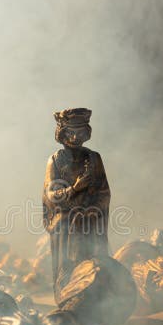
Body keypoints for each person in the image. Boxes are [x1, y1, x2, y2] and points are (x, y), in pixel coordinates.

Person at [42, 108, 110, 295]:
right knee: (67, 257)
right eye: (71, 132)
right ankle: (66, 290)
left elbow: (104, 191)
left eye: (80, 132)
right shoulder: (55, 160)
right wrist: (75, 188)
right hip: (66, 220)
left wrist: (93, 209)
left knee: (94, 258)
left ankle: (97, 293)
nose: (75, 137)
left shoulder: (94, 158)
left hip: (90, 217)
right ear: (62, 133)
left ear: (86, 133)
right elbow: (51, 194)